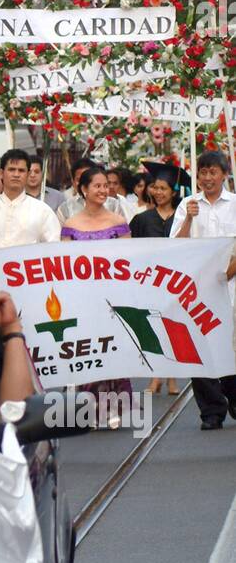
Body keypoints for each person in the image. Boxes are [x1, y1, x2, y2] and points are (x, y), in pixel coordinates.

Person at [61, 164, 131, 427]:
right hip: (81, 298)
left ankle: (112, 407)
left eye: (106, 185)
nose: (104, 190)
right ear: (83, 189)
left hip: (111, 296)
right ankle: (88, 408)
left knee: (111, 348)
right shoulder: (70, 224)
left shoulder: (118, 223)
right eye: (97, 186)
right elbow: (64, 266)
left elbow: (127, 263)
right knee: (86, 352)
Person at [170, 150, 236, 430]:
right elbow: (174, 247)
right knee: (199, 349)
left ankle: (233, 396)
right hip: (195, 291)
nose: (207, 178)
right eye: (203, 173)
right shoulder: (188, 204)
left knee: (230, 347)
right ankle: (211, 411)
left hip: (230, 285)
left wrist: (225, 274)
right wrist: (188, 219)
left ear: (224, 174)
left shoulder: (234, 204)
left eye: (213, 172)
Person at [131, 162, 189, 397]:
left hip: (175, 280)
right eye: (154, 187)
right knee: (152, 328)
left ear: (174, 192)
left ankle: (171, 377)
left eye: (163, 188)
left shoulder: (181, 216)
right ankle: (156, 375)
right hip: (149, 280)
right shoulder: (142, 219)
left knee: (173, 326)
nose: (158, 192)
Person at [0, 149, 61, 252]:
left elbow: (54, 249)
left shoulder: (43, 211)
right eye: (11, 169)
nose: (16, 174)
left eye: (21, 170)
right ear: (1, 173)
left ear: (27, 174)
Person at [57, 157, 130, 225]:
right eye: (79, 180)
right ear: (73, 181)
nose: (84, 183)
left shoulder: (114, 205)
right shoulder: (65, 209)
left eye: (89, 180)